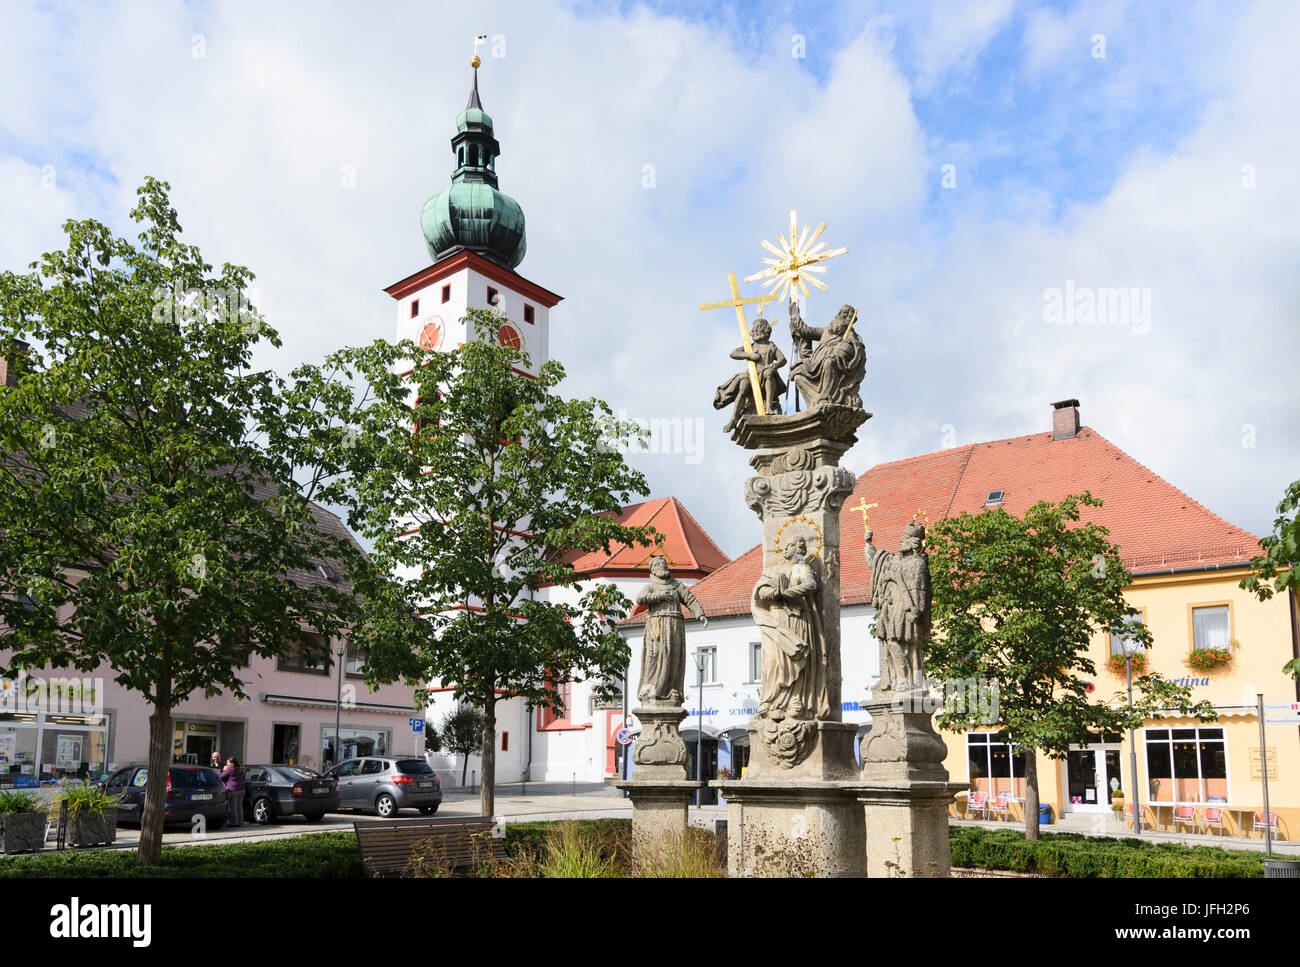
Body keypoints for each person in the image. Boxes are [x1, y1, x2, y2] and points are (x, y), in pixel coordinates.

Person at [635, 555, 708, 705]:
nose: (662, 566)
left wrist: (700, 614)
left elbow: (690, 599)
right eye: (658, 565)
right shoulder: (651, 586)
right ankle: (652, 689)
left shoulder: (676, 585)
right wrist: (659, 596)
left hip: (675, 625)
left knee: (674, 657)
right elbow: (640, 598)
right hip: (657, 625)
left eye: (664, 564)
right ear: (653, 570)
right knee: (655, 656)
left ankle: (671, 690)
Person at [713, 317, 787, 432]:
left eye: (759, 328)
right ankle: (734, 418)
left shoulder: (771, 346)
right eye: (754, 329)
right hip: (751, 376)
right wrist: (749, 355)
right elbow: (733, 353)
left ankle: (768, 407)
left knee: (769, 373)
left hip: (765, 375)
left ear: (766, 331)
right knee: (743, 385)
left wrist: (774, 366)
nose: (755, 331)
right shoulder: (751, 346)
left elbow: (782, 359)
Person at [220, 756, 246, 828]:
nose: (227, 764)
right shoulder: (240, 769)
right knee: (239, 806)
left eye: (228, 762)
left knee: (232, 807)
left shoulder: (230, 769)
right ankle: (240, 822)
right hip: (242, 790)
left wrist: (224, 770)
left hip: (233, 790)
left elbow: (221, 777)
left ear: (232, 763)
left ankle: (234, 822)